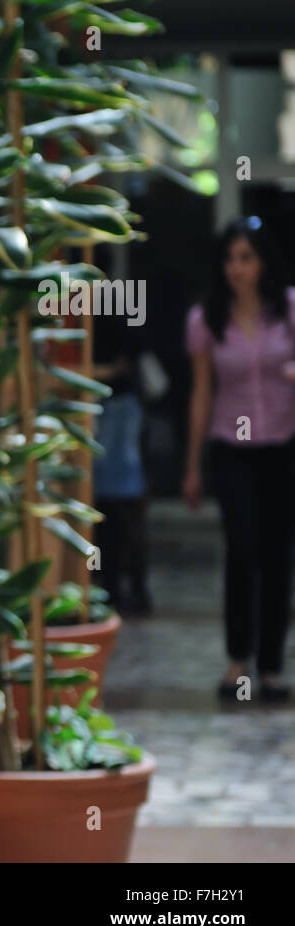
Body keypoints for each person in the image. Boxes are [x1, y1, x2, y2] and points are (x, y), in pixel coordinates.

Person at [184, 216, 295, 703]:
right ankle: (237, 663)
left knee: (277, 557)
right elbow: (200, 396)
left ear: (263, 261)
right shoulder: (206, 320)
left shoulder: (289, 311)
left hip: (282, 445)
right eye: (230, 259)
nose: (237, 268)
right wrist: (191, 466)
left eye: (246, 258)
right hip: (231, 448)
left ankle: (270, 668)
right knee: (242, 549)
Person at [92, 319, 151, 617]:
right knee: (117, 515)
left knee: (118, 514)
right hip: (116, 412)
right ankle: (122, 589)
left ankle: (123, 589)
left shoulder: (106, 315)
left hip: (116, 412)